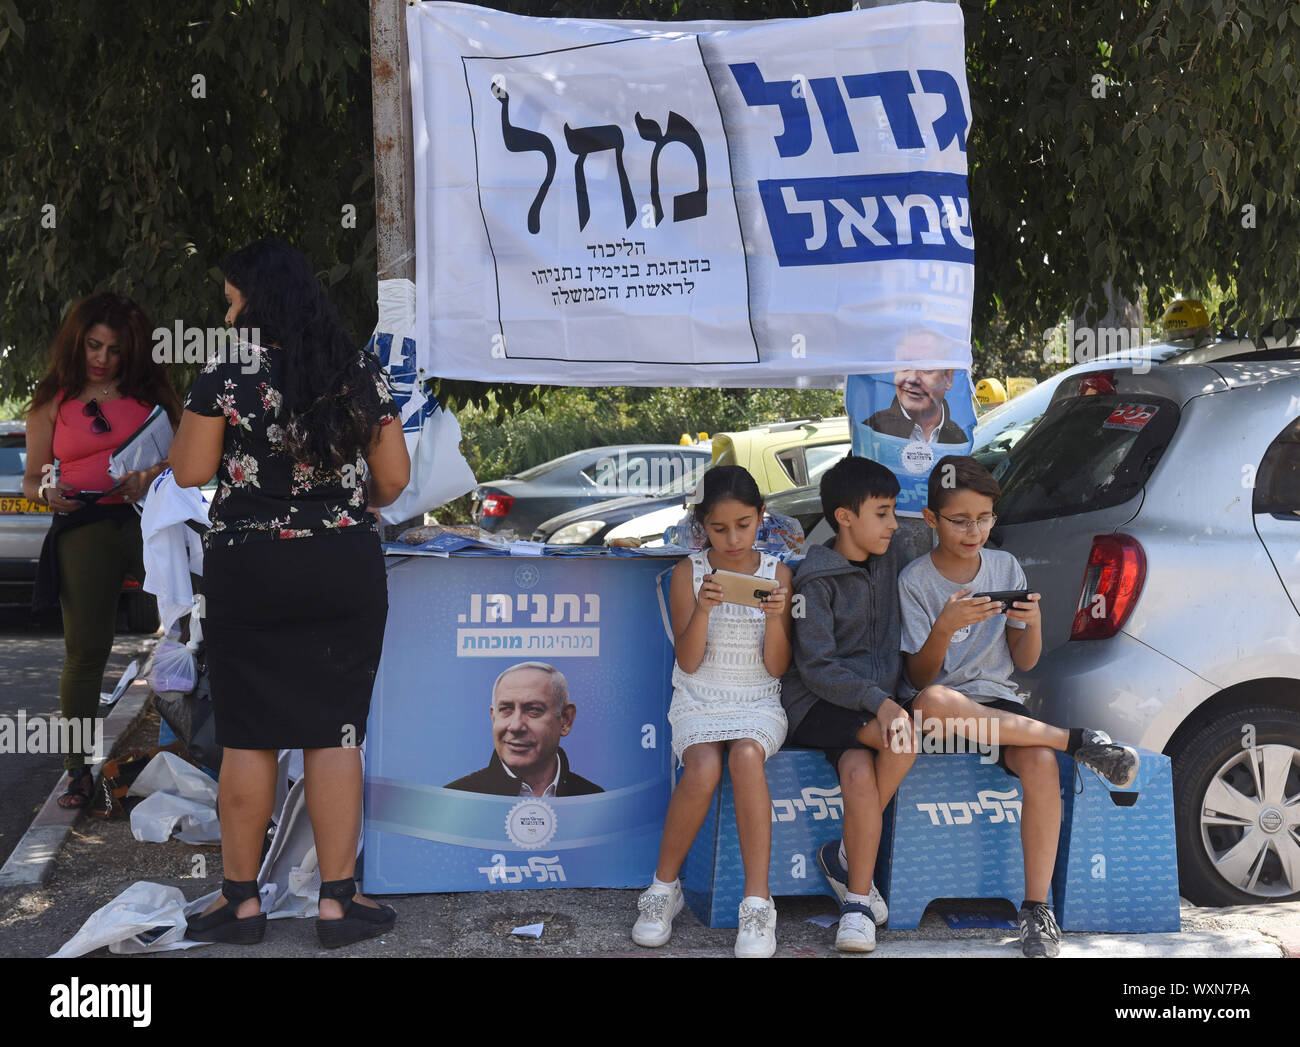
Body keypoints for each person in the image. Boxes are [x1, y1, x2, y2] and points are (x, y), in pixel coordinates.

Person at [170, 239, 410, 949]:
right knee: (337, 730)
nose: (226, 309)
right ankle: (338, 903)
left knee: (248, 733)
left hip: (251, 568)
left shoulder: (223, 373)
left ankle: (240, 903)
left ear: (256, 299)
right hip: (341, 563)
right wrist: (339, 504)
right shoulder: (355, 370)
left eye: (231, 297)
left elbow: (190, 469)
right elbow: (393, 478)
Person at [899, 454, 1141, 958]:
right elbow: (919, 677)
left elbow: (1024, 662)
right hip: (943, 707)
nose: (974, 531)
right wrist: (945, 626)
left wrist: (1030, 620)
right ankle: (1076, 741)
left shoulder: (1005, 565)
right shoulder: (916, 580)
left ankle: (1037, 907)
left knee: (1039, 762)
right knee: (936, 700)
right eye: (960, 520)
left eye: (984, 518)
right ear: (930, 519)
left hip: (1001, 703)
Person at [22, 293, 181, 808]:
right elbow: (32, 477)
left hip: (149, 521)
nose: (102, 358)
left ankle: (200, 753)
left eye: (115, 349)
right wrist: (47, 492)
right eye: (94, 345)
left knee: (189, 630)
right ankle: (76, 773)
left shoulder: (154, 393)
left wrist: (150, 475)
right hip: (84, 525)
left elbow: (189, 460)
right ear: (78, 342)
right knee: (86, 652)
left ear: (131, 350)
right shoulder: (53, 399)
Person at [632, 465, 793, 958]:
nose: (732, 538)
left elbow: (777, 669)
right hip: (699, 697)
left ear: (761, 517)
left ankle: (757, 903)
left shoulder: (778, 573)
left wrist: (775, 619)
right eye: (719, 528)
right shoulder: (690, 572)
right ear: (702, 525)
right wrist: (703, 608)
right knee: (701, 764)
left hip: (758, 699)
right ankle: (663, 890)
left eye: (744, 524)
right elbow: (688, 661)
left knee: (746, 756)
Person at [780, 454, 918, 953]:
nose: (893, 523)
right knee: (898, 736)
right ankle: (858, 907)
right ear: (844, 516)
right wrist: (880, 702)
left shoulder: (892, 561)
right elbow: (815, 667)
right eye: (882, 512)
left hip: (868, 704)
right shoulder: (815, 579)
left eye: (893, 511)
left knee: (861, 773)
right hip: (817, 701)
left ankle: (846, 861)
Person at [444, 662, 603, 796]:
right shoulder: (456, 802)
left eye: (533, 710)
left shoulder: (594, 802)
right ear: (494, 718)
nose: (516, 726)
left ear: (565, 720)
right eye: (506, 709)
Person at [865, 368, 968, 444]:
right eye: (904, 366)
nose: (912, 379)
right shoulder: (871, 430)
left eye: (926, 368)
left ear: (948, 377)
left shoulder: (960, 440)